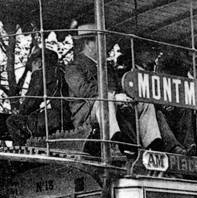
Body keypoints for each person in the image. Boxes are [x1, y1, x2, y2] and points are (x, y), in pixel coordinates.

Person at [64, 24, 163, 154]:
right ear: (89, 43)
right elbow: (84, 90)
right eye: (102, 41)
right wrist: (114, 96)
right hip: (87, 111)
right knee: (107, 98)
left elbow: (118, 86)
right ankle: (114, 139)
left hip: (112, 104)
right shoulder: (74, 67)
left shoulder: (108, 67)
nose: (106, 46)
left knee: (144, 102)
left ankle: (153, 143)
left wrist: (124, 96)